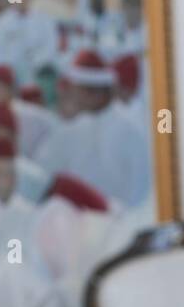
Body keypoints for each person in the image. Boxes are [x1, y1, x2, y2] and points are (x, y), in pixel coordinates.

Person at [33, 49, 149, 209]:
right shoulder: (70, 128)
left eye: (74, 91)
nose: (69, 97)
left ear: (94, 95)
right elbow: (44, 173)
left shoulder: (131, 131)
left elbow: (141, 192)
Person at [0, 0, 57, 87]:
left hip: (38, 75)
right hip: (9, 78)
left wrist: (36, 64)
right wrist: (8, 69)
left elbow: (50, 46)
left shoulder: (44, 20)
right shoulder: (1, 22)